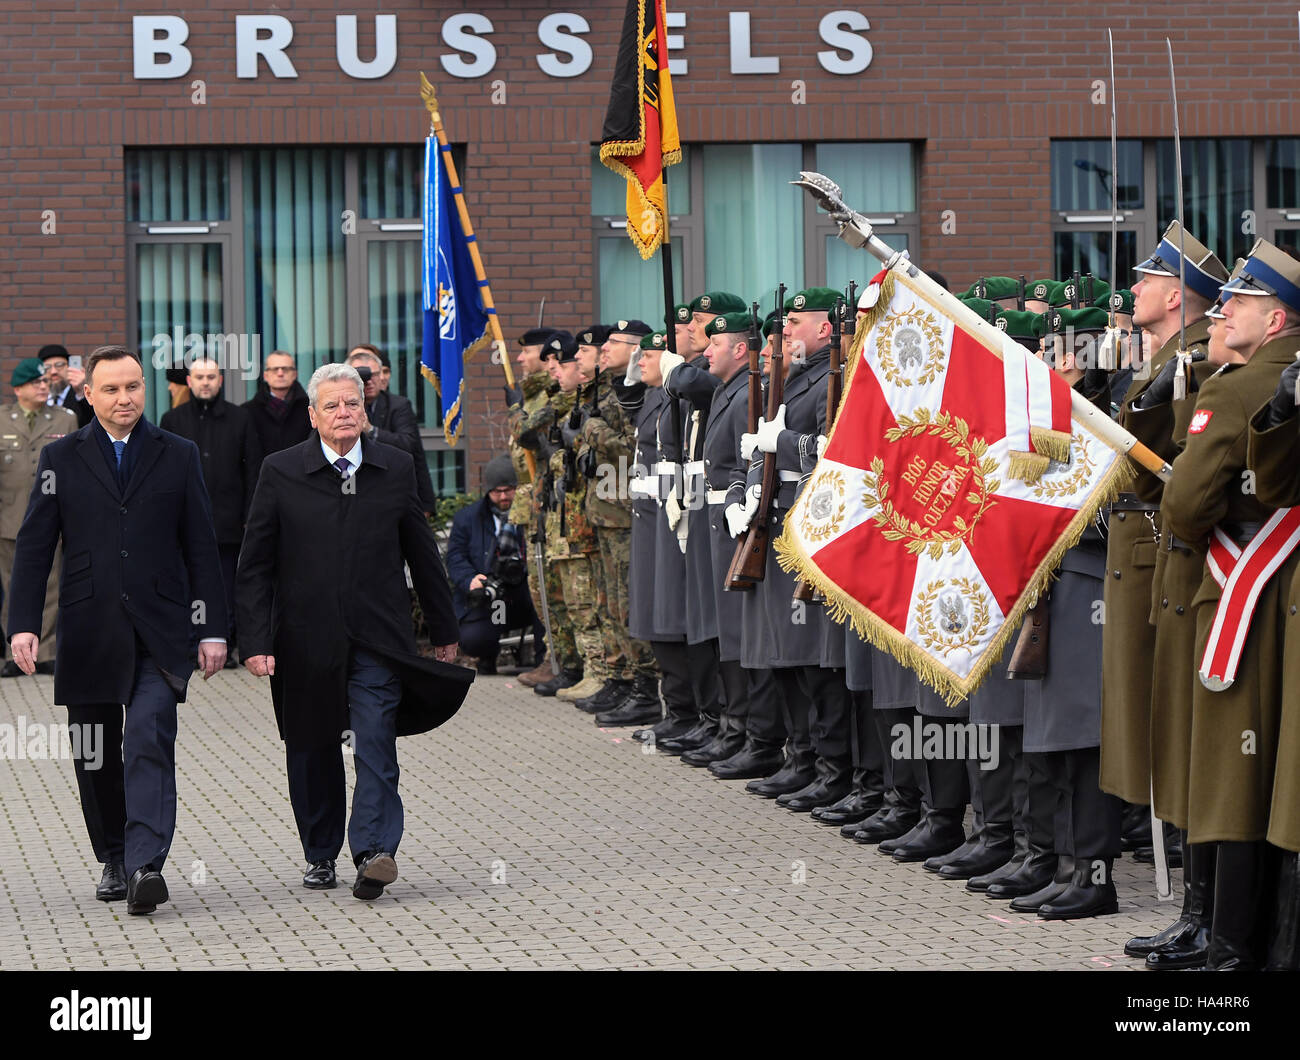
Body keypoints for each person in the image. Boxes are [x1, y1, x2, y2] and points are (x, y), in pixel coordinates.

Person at [7, 344, 228, 915]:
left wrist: (212, 628)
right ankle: (112, 855)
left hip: (160, 627)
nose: (124, 397)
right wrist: (24, 625)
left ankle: (145, 863)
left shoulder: (176, 454)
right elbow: (34, 546)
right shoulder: (61, 458)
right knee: (97, 752)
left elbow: (201, 545)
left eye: (133, 387)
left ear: (144, 390)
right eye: (111, 389)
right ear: (89, 395)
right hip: (88, 626)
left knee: (150, 736)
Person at [235, 362, 469, 901]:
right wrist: (255, 642)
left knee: (376, 743)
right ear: (312, 415)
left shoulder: (395, 465)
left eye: (354, 404)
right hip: (303, 639)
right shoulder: (281, 470)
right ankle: (320, 853)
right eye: (333, 405)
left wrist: (443, 628)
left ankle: (373, 852)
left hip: (379, 639)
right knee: (312, 749)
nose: (345, 413)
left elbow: (421, 553)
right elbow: (255, 565)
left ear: (366, 412)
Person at [160, 357, 263, 668]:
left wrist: (250, 516)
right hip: (183, 526)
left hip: (228, 523)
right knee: (188, 586)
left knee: (225, 588)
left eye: (211, 377)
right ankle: (192, 646)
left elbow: (253, 471)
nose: (205, 382)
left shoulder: (240, 419)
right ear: (189, 382)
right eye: (199, 377)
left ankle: (225, 645)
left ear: (220, 381)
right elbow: (161, 473)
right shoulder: (172, 420)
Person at [0, 358, 77, 676]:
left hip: (52, 518)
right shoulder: (3, 419)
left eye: (45, 382)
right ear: (18, 389)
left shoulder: (65, 419)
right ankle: (14, 654)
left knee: (53, 585)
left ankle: (46, 652)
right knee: (12, 586)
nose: (44, 387)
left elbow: (72, 471)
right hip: (10, 517)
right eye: (36, 383)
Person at [445, 455, 542, 674]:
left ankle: (543, 664)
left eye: (509, 490)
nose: (504, 496)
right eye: (497, 491)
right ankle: (487, 657)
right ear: (488, 491)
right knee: (474, 638)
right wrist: (470, 579)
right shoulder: (468, 518)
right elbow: (455, 557)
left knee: (545, 605)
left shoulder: (531, 514)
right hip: (488, 596)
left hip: (524, 592)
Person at [345, 345, 436, 515]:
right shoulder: (341, 408)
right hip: (353, 493)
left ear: (382, 377)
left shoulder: (398, 405)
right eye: (362, 376)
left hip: (393, 491)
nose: (369, 381)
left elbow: (409, 446)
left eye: (374, 374)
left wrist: (371, 431)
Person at [244, 350, 311, 459]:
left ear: (295, 374)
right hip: (264, 474)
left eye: (285, 369)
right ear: (266, 375)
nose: (280, 373)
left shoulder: (310, 409)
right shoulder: (247, 411)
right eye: (275, 369)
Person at [39, 343, 92, 427]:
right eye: (47, 367)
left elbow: (92, 420)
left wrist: (81, 392)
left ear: (69, 367)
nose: (53, 372)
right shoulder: (36, 397)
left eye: (59, 365)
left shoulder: (80, 395)